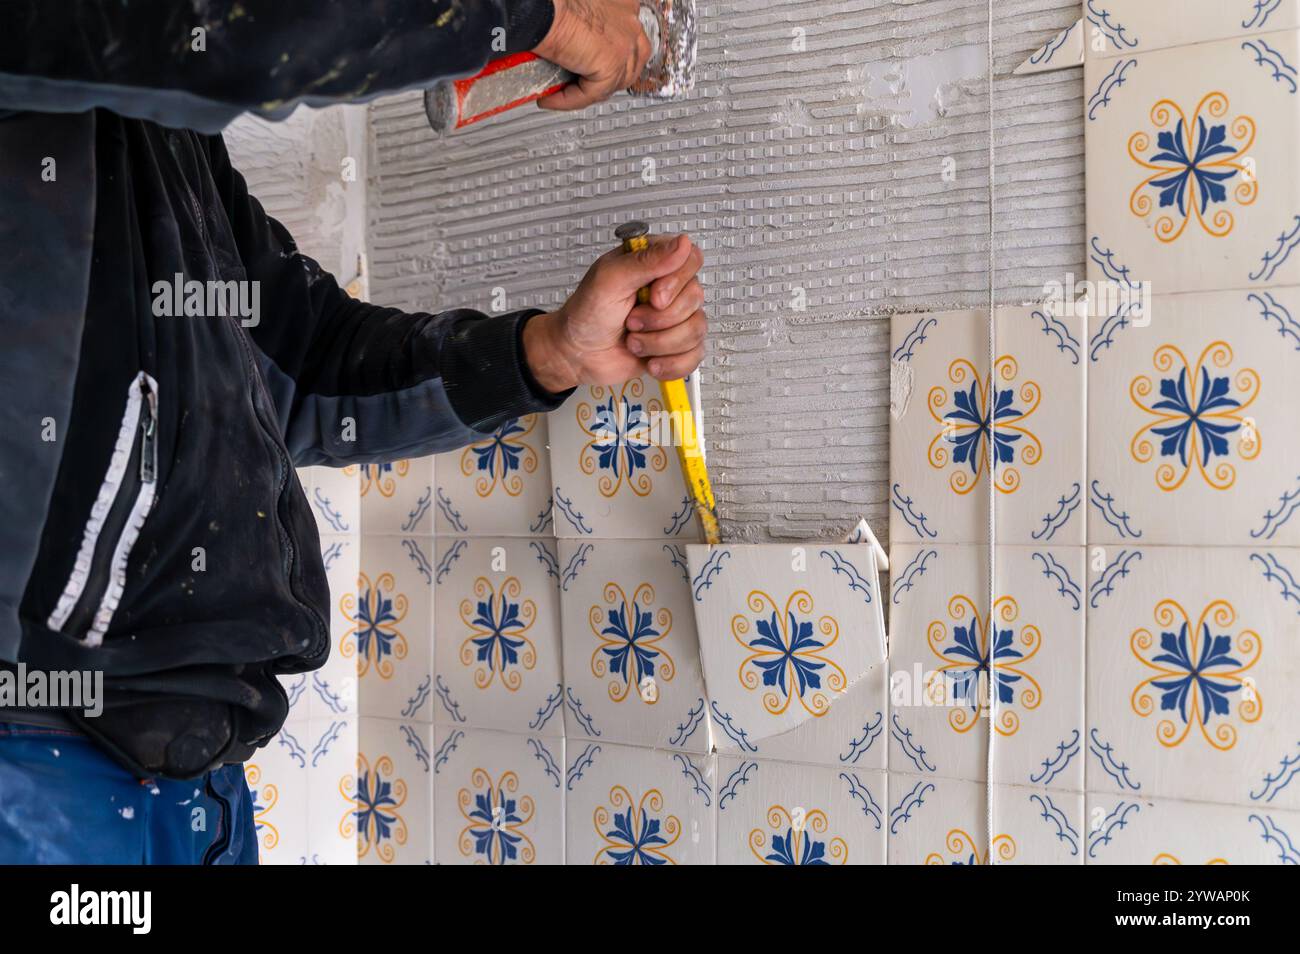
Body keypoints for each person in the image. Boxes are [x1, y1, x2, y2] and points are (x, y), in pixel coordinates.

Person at [0, 0, 707, 863]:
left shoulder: (152, 122)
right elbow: (246, 30)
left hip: (192, 770)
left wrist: (545, 354)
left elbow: (302, 363)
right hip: (30, 764)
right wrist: (542, 15)